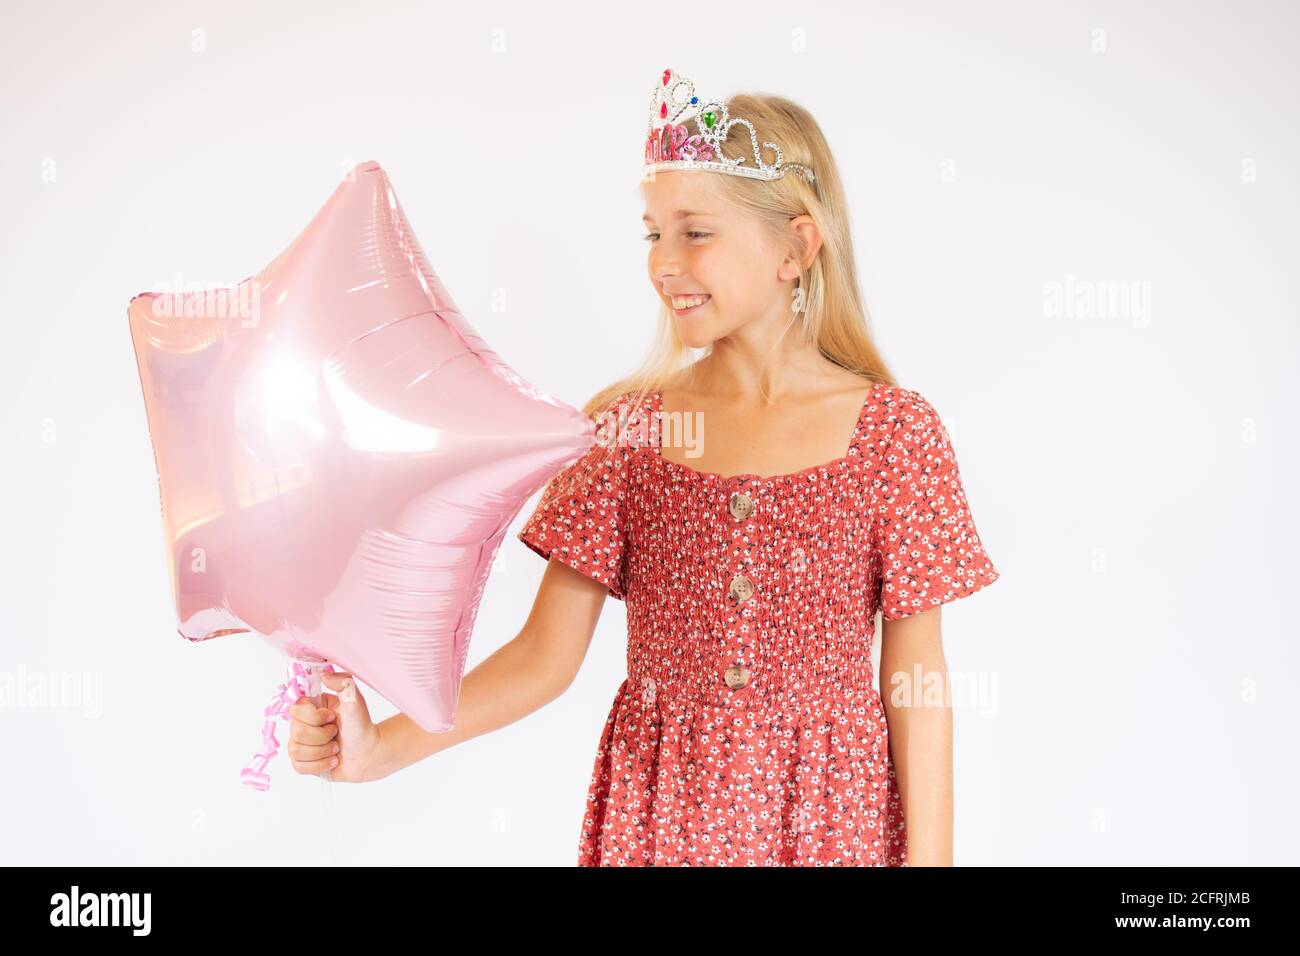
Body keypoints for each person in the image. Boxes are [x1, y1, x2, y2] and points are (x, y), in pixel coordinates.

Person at [288, 67, 1000, 866]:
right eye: (652, 232)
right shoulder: (627, 434)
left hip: (833, 826)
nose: (664, 261)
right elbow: (544, 658)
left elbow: (917, 683)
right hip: (663, 820)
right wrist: (381, 747)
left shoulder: (896, 437)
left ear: (796, 247)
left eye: (695, 231)